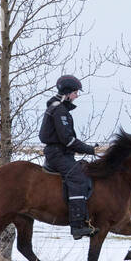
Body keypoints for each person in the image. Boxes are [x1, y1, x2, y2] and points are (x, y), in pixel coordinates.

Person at [39, 75, 97, 239]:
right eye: (76, 92)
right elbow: (68, 139)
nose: (77, 96)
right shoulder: (60, 111)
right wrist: (89, 149)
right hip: (58, 154)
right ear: (68, 92)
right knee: (78, 177)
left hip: (60, 153)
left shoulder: (58, 108)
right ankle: (77, 225)